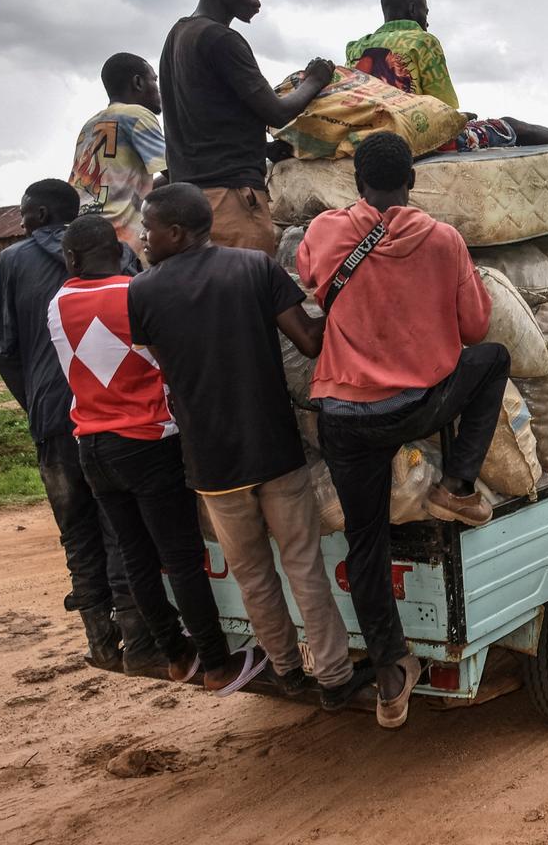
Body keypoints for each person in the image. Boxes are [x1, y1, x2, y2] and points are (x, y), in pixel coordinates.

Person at [128, 183, 370, 708]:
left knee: (254, 575)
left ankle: (286, 671)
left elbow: (159, 354)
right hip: (275, 449)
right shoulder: (254, 269)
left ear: (175, 232)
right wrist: (356, 302)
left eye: (148, 228)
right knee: (304, 566)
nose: (143, 238)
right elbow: (308, 340)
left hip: (211, 463)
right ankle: (333, 679)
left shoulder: (142, 292)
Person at [298, 132, 509, 727]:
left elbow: (309, 273)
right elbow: (475, 326)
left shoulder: (326, 231)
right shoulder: (443, 239)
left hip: (342, 416)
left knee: (367, 543)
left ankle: (393, 670)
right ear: (411, 181)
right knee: (492, 360)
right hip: (416, 406)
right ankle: (459, 485)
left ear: (357, 183)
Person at [48, 216, 261, 693]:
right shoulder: (140, 291)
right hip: (147, 441)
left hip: (92, 445)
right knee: (181, 558)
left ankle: (175, 655)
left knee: (136, 556)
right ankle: (217, 664)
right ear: (119, 249)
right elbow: (167, 359)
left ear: (71, 259)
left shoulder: (57, 304)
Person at [0, 180, 157, 672]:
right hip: (115, 415)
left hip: (54, 420)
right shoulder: (117, 254)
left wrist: (39, 407)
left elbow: (5, 350)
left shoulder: (14, 261)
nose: (20, 222)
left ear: (40, 213)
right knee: (121, 527)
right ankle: (137, 636)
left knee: (76, 530)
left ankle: (100, 640)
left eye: (23, 214)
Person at [159, 0, 336, 256]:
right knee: (243, 299)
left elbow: (208, 119)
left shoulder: (178, 35)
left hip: (187, 202)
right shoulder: (221, 39)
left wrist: (266, 149)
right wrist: (314, 80)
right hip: (231, 202)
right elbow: (277, 112)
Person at [345, 0, 548, 151]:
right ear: (414, 9)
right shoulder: (423, 41)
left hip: (369, 140)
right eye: (426, 12)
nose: (427, 22)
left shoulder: (355, 47)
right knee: (511, 126)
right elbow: (443, 109)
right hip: (420, 140)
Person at [68, 53, 167, 261]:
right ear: (138, 82)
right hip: (122, 245)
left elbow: (119, 187)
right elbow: (177, 172)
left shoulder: (89, 125)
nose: (158, 89)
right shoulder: (137, 115)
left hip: (82, 241)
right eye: (154, 80)